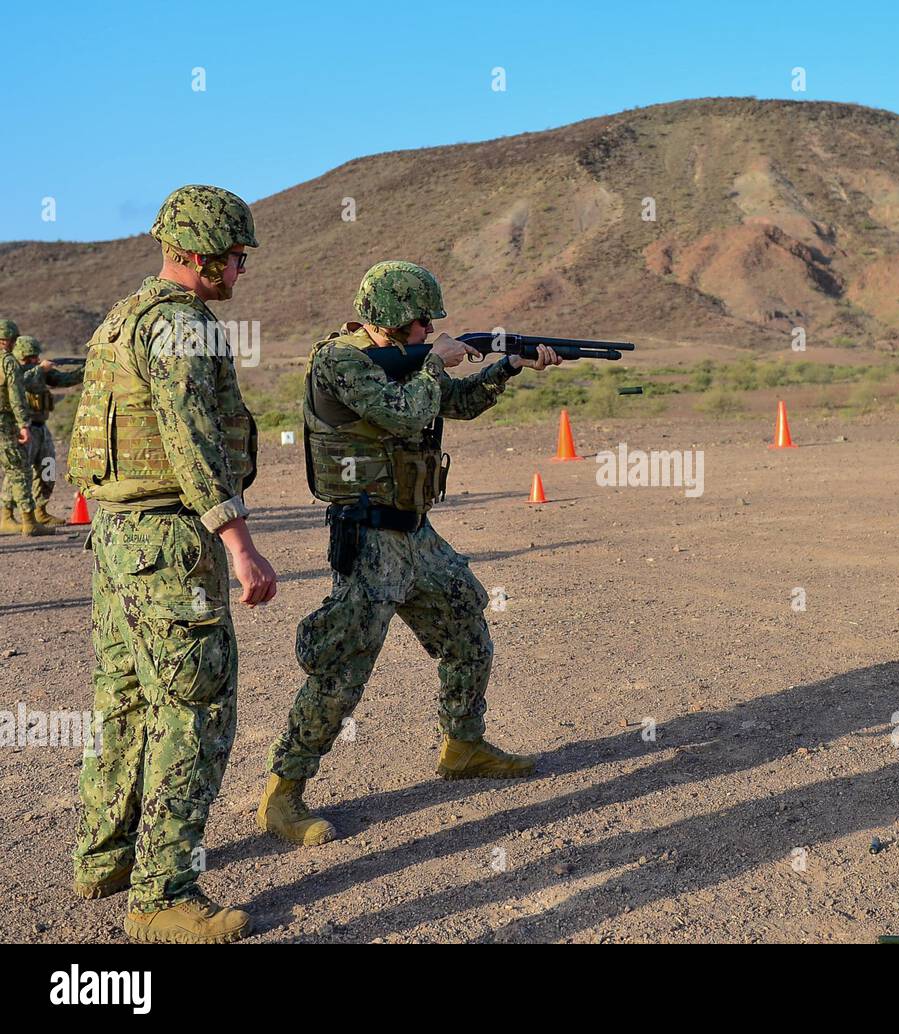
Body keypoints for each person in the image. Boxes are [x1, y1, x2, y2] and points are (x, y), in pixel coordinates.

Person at [259, 260, 561, 848]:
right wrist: (433, 361)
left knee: (466, 624)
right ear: (394, 320)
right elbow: (404, 412)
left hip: (415, 531)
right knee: (344, 664)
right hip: (369, 536)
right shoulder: (340, 361)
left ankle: (463, 746)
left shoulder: (410, 361)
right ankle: (283, 793)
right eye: (423, 322)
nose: (430, 330)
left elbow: (456, 403)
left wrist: (506, 368)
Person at [68, 185, 277, 944]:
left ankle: (106, 854)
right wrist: (238, 542)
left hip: (118, 535)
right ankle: (162, 896)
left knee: (125, 695)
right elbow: (193, 441)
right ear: (196, 255)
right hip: (166, 540)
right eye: (234, 256)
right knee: (196, 706)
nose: (241, 269)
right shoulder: (182, 326)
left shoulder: (124, 316)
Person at [4, 335, 85, 525]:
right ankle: (7, 513)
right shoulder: (15, 372)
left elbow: (63, 380)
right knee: (18, 472)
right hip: (23, 428)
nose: (33, 360)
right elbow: (21, 382)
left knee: (48, 467)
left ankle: (41, 510)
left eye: (35, 357)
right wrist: (40, 369)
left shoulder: (40, 372)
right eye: (28, 358)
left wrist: (85, 370)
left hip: (41, 428)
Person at [0, 318, 54, 536]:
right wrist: (23, 425)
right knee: (19, 470)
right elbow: (16, 396)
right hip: (6, 423)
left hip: (15, 424)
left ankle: (28, 515)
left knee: (29, 468)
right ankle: (27, 521)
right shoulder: (8, 362)